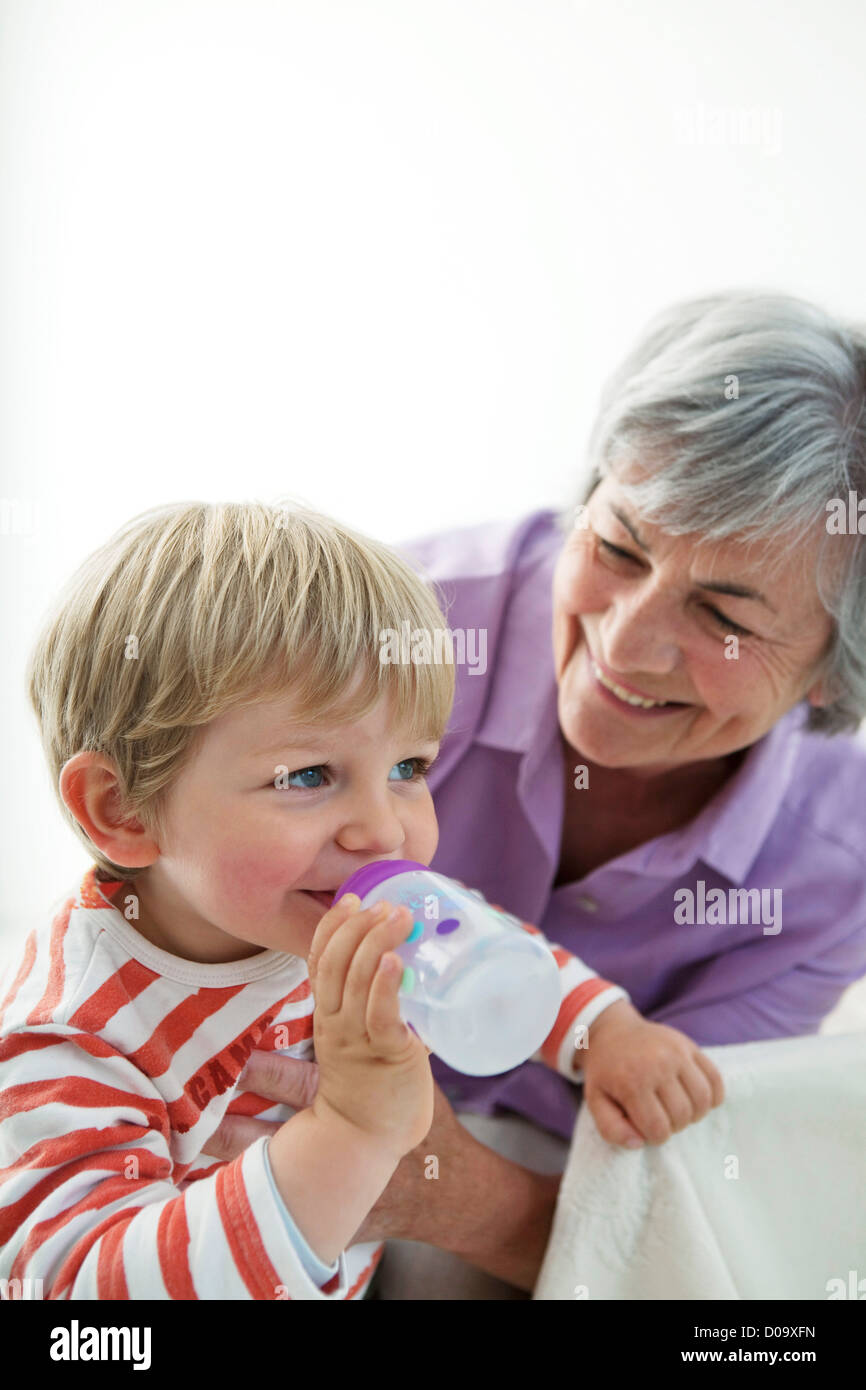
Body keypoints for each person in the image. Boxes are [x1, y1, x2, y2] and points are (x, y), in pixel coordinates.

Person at [201, 291, 866, 1300]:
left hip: (540, 1187)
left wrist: (429, 1184)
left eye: (722, 614)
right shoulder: (389, 637)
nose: (625, 642)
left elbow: (682, 1213)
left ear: (831, 665)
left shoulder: (834, 867)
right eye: (617, 548)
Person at [0, 500, 720, 1300]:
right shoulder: (76, 1039)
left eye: (409, 768)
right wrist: (351, 1132)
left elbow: (489, 952)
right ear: (122, 811)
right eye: (308, 776)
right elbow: (82, 1299)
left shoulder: (326, 905)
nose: (383, 830)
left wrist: (602, 1032)